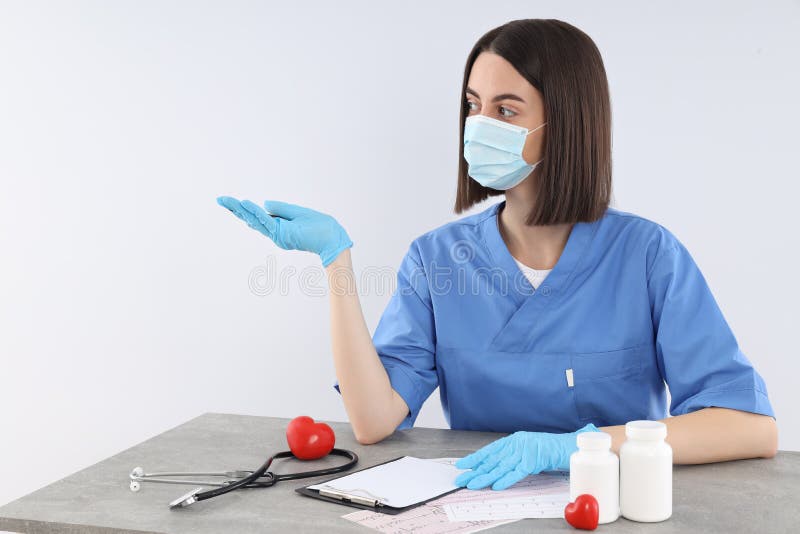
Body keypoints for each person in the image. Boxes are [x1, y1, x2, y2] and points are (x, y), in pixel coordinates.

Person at [217, 18, 777, 492]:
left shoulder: (648, 255)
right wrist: (336, 262)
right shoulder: (437, 259)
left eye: (506, 111)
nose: (480, 126)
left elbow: (750, 428)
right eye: (473, 106)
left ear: (567, 125)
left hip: (612, 508)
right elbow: (372, 420)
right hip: (479, 506)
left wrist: (573, 447)